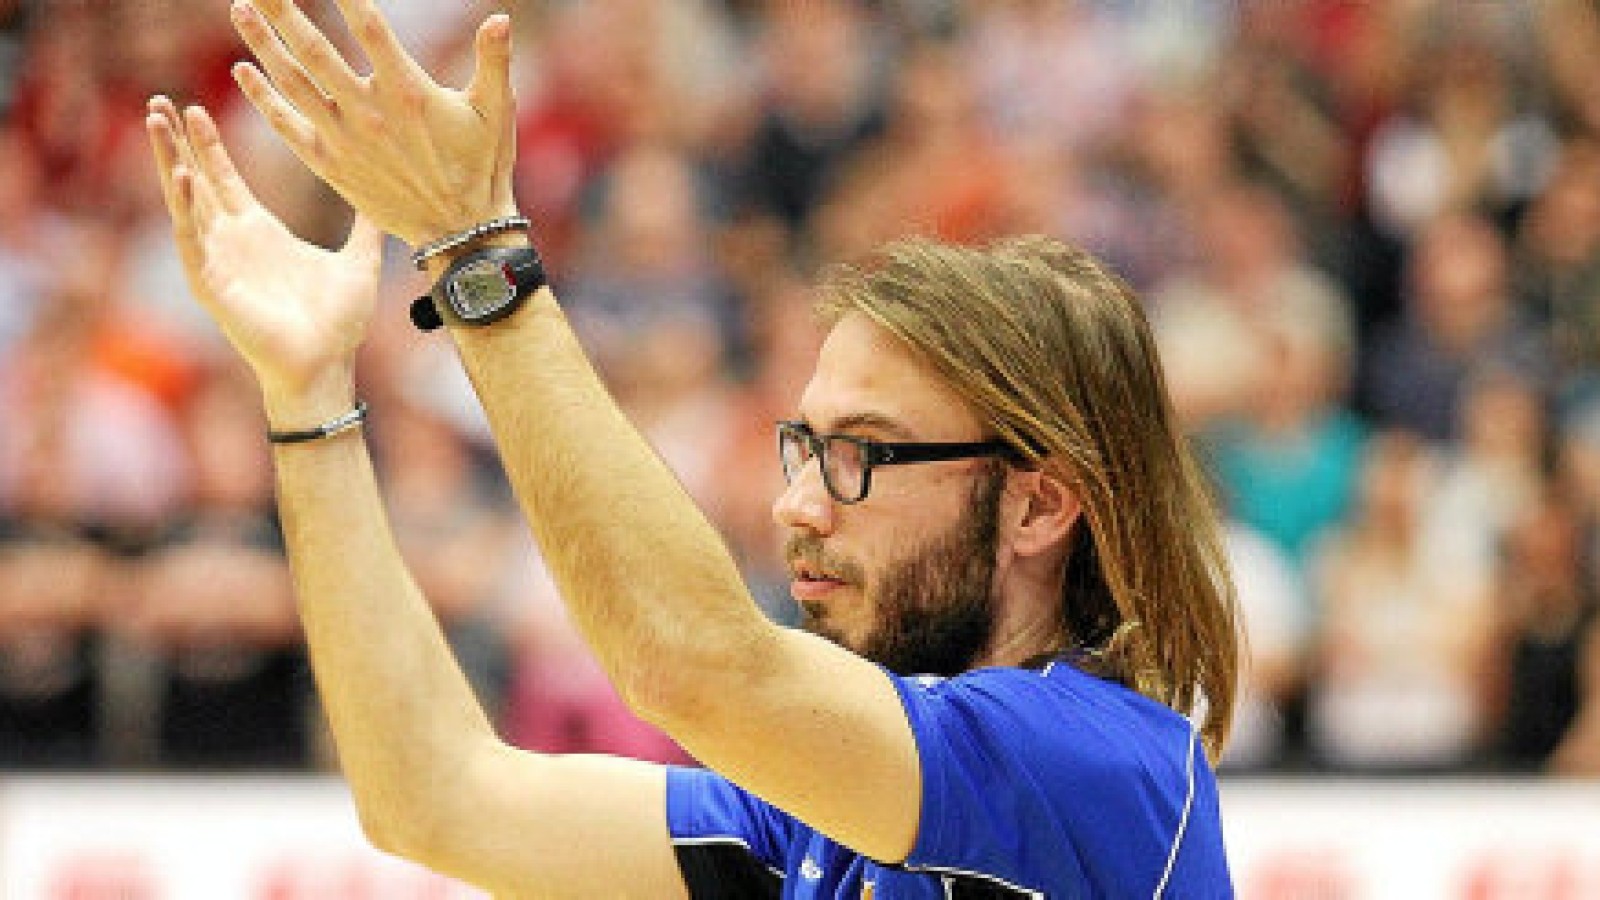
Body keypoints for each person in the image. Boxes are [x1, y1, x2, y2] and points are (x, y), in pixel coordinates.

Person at [142, 0, 1239, 895]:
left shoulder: (1096, 764)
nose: (799, 505)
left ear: (1039, 508)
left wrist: (476, 250)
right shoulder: (821, 807)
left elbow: (695, 665)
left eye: (864, 454)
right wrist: (308, 396)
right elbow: (436, 798)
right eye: (803, 448)